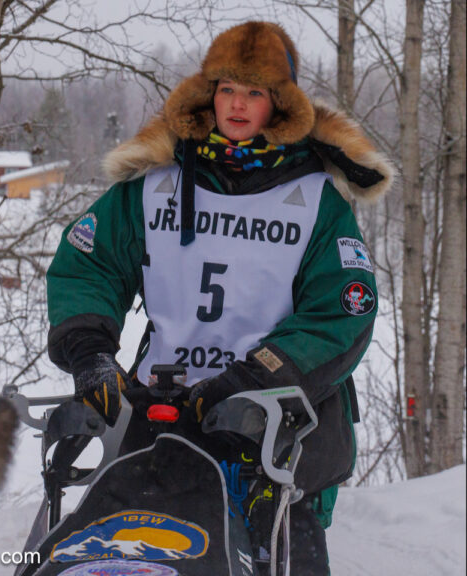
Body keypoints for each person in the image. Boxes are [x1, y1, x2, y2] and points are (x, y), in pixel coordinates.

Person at [46, 21, 393, 575]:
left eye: (255, 93)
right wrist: (89, 352)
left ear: (279, 105)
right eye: (227, 89)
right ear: (209, 95)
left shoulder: (318, 197)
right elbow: (88, 266)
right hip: (161, 409)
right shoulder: (153, 181)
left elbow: (343, 309)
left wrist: (256, 377)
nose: (237, 105)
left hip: (275, 418)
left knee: (287, 558)